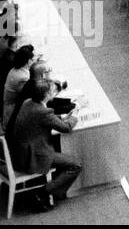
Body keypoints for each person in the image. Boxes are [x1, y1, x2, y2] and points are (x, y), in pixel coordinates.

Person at [8, 79, 81, 210]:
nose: (55, 91)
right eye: (53, 90)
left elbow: (44, 119)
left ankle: (54, 190)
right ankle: (43, 192)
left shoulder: (28, 102)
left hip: (19, 152)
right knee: (75, 165)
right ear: (47, 95)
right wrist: (75, 116)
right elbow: (66, 128)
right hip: (32, 157)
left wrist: (63, 117)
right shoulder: (43, 112)